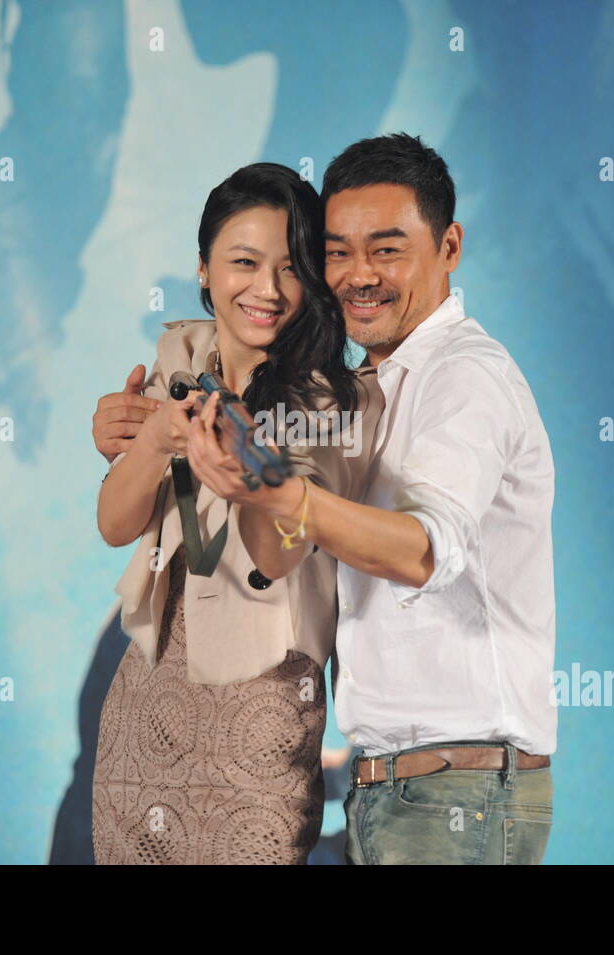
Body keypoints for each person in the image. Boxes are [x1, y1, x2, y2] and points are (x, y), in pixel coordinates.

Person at [227, 133, 558, 864]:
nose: (357, 275)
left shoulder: (463, 378)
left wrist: (290, 496)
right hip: (401, 790)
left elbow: (423, 548)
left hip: (454, 794)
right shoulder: (364, 393)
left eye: (386, 248)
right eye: (338, 252)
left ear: (449, 247)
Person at [90, 162, 383, 865]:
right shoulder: (180, 360)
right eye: (244, 262)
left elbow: (276, 557)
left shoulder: (329, 402)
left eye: (290, 269)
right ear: (203, 269)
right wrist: (160, 434)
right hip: (148, 704)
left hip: (262, 720)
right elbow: (113, 523)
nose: (267, 290)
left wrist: (256, 473)